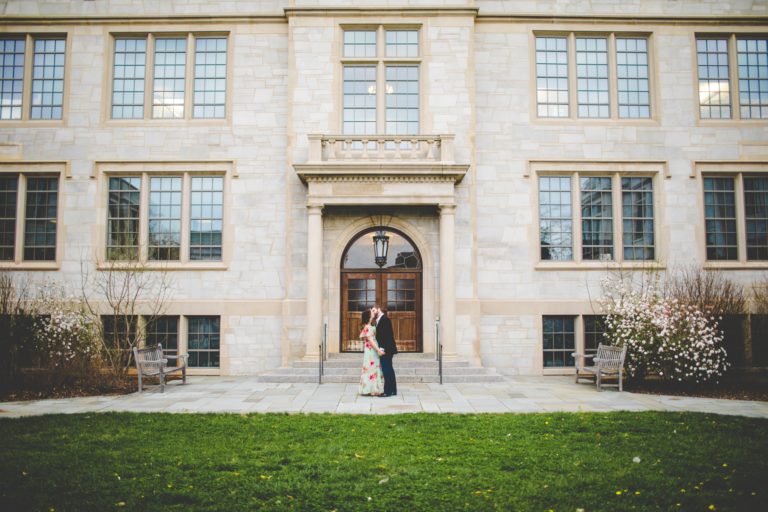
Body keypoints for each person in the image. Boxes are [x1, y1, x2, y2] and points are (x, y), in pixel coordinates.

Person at [358, 308, 385, 396]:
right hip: (371, 350)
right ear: (369, 316)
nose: (373, 312)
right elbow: (371, 341)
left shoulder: (370, 325)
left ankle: (373, 388)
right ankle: (371, 389)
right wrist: (378, 350)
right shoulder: (367, 327)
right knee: (371, 367)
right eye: (371, 312)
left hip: (372, 349)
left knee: (374, 367)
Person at [373, 305, 398, 396]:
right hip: (386, 348)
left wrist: (382, 349)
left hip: (387, 349)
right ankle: (393, 390)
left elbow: (387, 336)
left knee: (387, 369)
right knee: (389, 369)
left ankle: (387, 391)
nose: (373, 312)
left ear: (379, 309)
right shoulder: (379, 320)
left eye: (374, 310)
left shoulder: (385, 320)